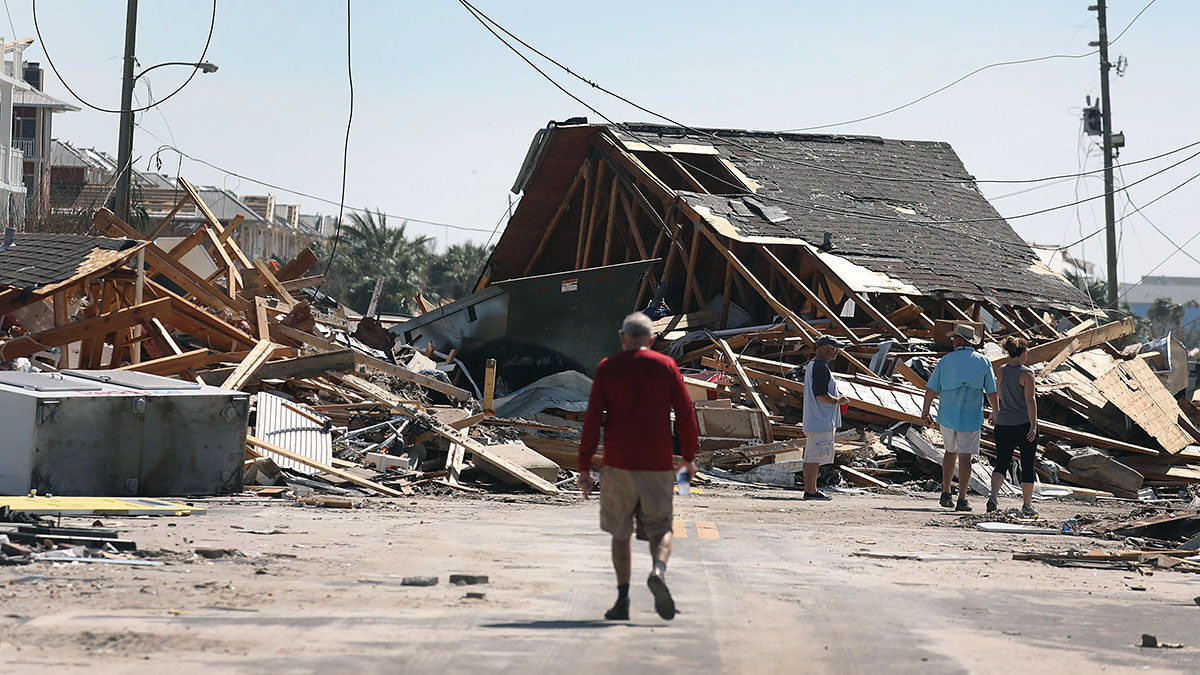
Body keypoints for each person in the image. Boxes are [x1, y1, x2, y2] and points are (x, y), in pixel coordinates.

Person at [578, 312, 698, 622]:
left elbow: (592, 419)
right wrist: (688, 457)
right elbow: (686, 414)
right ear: (652, 339)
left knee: (620, 534)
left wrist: (585, 467)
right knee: (661, 529)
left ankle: (622, 600)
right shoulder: (666, 366)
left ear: (622, 337)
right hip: (657, 465)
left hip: (617, 464)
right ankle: (658, 570)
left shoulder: (608, 368)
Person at [920, 324, 998, 512]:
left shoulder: (946, 361)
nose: (953, 341)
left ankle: (946, 492)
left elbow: (931, 389)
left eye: (954, 338)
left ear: (960, 340)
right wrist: (996, 412)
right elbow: (992, 391)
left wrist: (925, 411)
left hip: (947, 415)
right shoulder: (983, 361)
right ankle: (962, 499)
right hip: (970, 417)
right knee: (965, 458)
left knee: (949, 452)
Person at [990, 336, 1039, 516]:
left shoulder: (1001, 370)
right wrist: (1033, 425)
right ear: (1024, 353)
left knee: (1001, 462)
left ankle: (993, 497)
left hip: (1003, 423)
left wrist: (995, 413)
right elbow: (1030, 400)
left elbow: (999, 394)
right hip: (1023, 423)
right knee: (1027, 464)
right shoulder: (1027, 374)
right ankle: (1026, 504)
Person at [802, 335, 850, 500]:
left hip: (814, 420)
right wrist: (838, 400)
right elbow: (821, 394)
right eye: (833, 348)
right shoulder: (820, 367)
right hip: (819, 420)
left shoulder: (813, 365)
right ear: (822, 348)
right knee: (815, 456)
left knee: (811, 456)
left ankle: (810, 489)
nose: (835, 353)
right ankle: (811, 491)